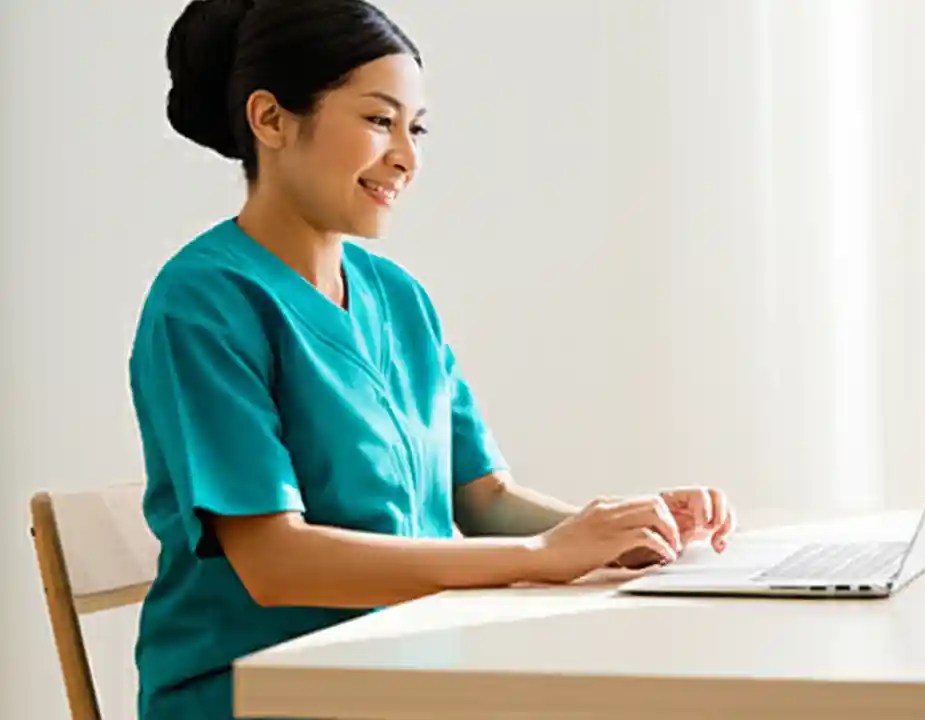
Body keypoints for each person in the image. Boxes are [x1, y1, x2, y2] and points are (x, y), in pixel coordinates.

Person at [130, 1, 737, 717]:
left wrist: (623, 534)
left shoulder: (398, 297)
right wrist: (545, 559)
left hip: (403, 670)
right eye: (379, 121)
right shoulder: (203, 302)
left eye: (414, 129)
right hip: (256, 692)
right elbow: (273, 562)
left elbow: (481, 499)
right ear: (271, 120)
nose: (407, 157)